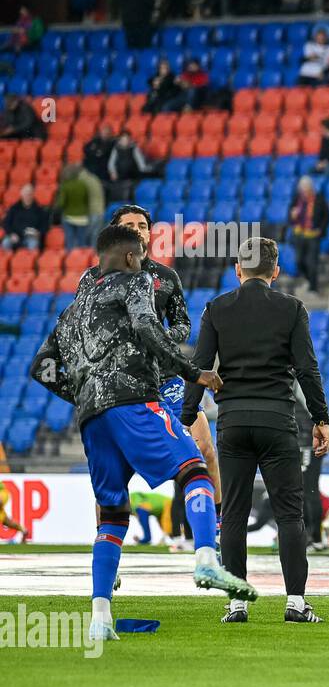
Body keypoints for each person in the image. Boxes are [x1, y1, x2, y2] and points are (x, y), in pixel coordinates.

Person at [30, 225, 248, 641]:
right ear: (132, 257)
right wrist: (193, 372)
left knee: (112, 516)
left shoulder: (73, 309)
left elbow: (41, 366)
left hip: (92, 419)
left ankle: (100, 617)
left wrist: (79, 392)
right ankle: (205, 556)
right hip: (134, 399)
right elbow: (150, 328)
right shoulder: (135, 282)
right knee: (194, 471)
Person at [182, 236, 329, 625]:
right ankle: (296, 602)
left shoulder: (217, 308)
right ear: (275, 271)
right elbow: (306, 370)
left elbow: (199, 367)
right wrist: (321, 418)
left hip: (232, 423)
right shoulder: (292, 309)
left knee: (232, 513)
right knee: (289, 514)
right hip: (277, 422)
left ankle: (236, 603)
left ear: (238, 269)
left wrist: (185, 417)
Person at [78, 205, 226, 531]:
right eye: (129, 225)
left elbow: (183, 325)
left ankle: (216, 530)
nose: (137, 230)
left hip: (165, 376)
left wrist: (158, 337)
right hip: (120, 384)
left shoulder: (166, 278)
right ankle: (106, 544)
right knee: (112, 475)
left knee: (205, 449)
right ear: (116, 232)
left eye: (142, 225)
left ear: (150, 232)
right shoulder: (93, 279)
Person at [288, 176, 329, 294]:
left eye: (306, 190)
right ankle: (307, 278)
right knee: (299, 261)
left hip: (313, 235)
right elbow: (290, 215)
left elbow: (326, 217)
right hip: (300, 234)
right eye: (302, 190)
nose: (304, 192)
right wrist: (292, 215)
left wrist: (321, 230)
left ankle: (313, 287)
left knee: (312, 262)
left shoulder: (319, 199)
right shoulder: (297, 199)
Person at [53, 163, 104, 251]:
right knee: (93, 242)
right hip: (99, 211)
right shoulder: (92, 177)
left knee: (79, 240)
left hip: (91, 213)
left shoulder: (80, 181)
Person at [2, 184, 50, 250]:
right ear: (21, 194)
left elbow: (45, 225)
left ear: (33, 195)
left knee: (33, 244)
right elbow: (5, 223)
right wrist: (11, 234)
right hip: (15, 235)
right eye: (25, 193)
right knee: (5, 242)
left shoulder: (39, 210)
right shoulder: (14, 208)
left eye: (29, 194)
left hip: (31, 237)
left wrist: (38, 233)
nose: (27, 196)